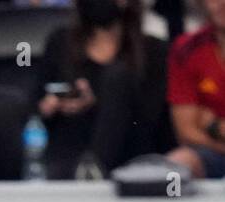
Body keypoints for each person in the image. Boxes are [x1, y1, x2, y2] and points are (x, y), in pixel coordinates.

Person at [35, 0, 172, 180]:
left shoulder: (155, 51)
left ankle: (94, 169)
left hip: (132, 157)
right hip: (68, 154)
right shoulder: (59, 42)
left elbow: (153, 119)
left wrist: (99, 102)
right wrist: (52, 104)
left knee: (119, 77)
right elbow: (37, 102)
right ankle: (88, 171)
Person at [166, 0, 225, 178]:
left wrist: (211, 124)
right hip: (212, 153)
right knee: (175, 166)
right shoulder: (187, 48)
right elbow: (186, 132)